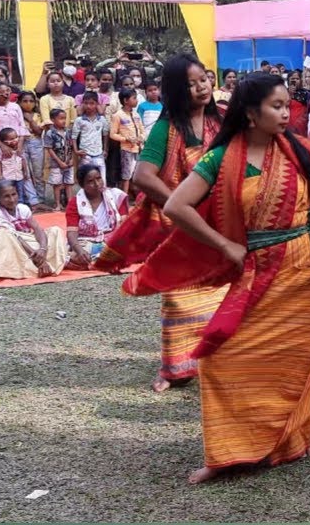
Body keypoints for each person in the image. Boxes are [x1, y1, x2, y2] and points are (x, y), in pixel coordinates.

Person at [121, 72, 310, 483]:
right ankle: (230, 451)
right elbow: (176, 207)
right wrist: (224, 245)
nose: (286, 112)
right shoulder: (220, 158)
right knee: (221, 357)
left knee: (302, 357)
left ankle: (293, 436)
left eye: (286, 104)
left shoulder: (297, 149)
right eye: (276, 106)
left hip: (307, 270)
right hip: (259, 269)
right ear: (251, 114)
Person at [94, 53, 224, 393]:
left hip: (220, 222)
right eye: (191, 84)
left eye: (204, 80)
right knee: (179, 296)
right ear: (176, 91)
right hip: (180, 226)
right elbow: (143, 176)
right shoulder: (166, 129)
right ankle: (176, 368)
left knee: (223, 291)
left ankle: (219, 358)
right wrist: (180, 205)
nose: (201, 88)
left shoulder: (222, 122)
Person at [0, 180, 68, 279]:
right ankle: (35, 266)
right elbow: (12, 235)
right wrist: (37, 257)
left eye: (14, 194)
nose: (12, 199)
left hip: (28, 247)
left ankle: (41, 264)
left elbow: (37, 229)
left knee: (55, 231)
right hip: (9, 247)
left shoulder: (22, 208)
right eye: (6, 196)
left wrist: (42, 249)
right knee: (1, 233)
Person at [65, 164, 129, 269]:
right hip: (86, 242)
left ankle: (98, 259)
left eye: (99, 178)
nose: (97, 184)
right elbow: (71, 233)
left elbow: (125, 227)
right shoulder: (75, 203)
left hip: (112, 240)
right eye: (90, 181)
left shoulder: (116, 196)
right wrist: (79, 250)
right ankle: (98, 259)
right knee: (73, 254)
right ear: (82, 185)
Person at [44, 109, 76, 209]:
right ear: (53, 120)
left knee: (69, 183)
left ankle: (70, 203)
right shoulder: (50, 133)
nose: (63, 121)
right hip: (56, 163)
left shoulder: (68, 131)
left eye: (65, 118)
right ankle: (58, 204)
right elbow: (49, 149)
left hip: (68, 162)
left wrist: (72, 159)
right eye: (61, 118)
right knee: (57, 184)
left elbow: (71, 146)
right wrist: (59, 162)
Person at [72, 93, 108, 175]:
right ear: (82, 104)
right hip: (85, 154)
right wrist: (76, 150)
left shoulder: (102, 120)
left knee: (102, 179)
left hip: (99, 153)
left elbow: (105, 135)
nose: (88, 106)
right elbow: (74, 137)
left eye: (92, 103)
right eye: (86, 103)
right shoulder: (79, 120)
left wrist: (105, 149)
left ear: (97, 104)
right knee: (86, 179)